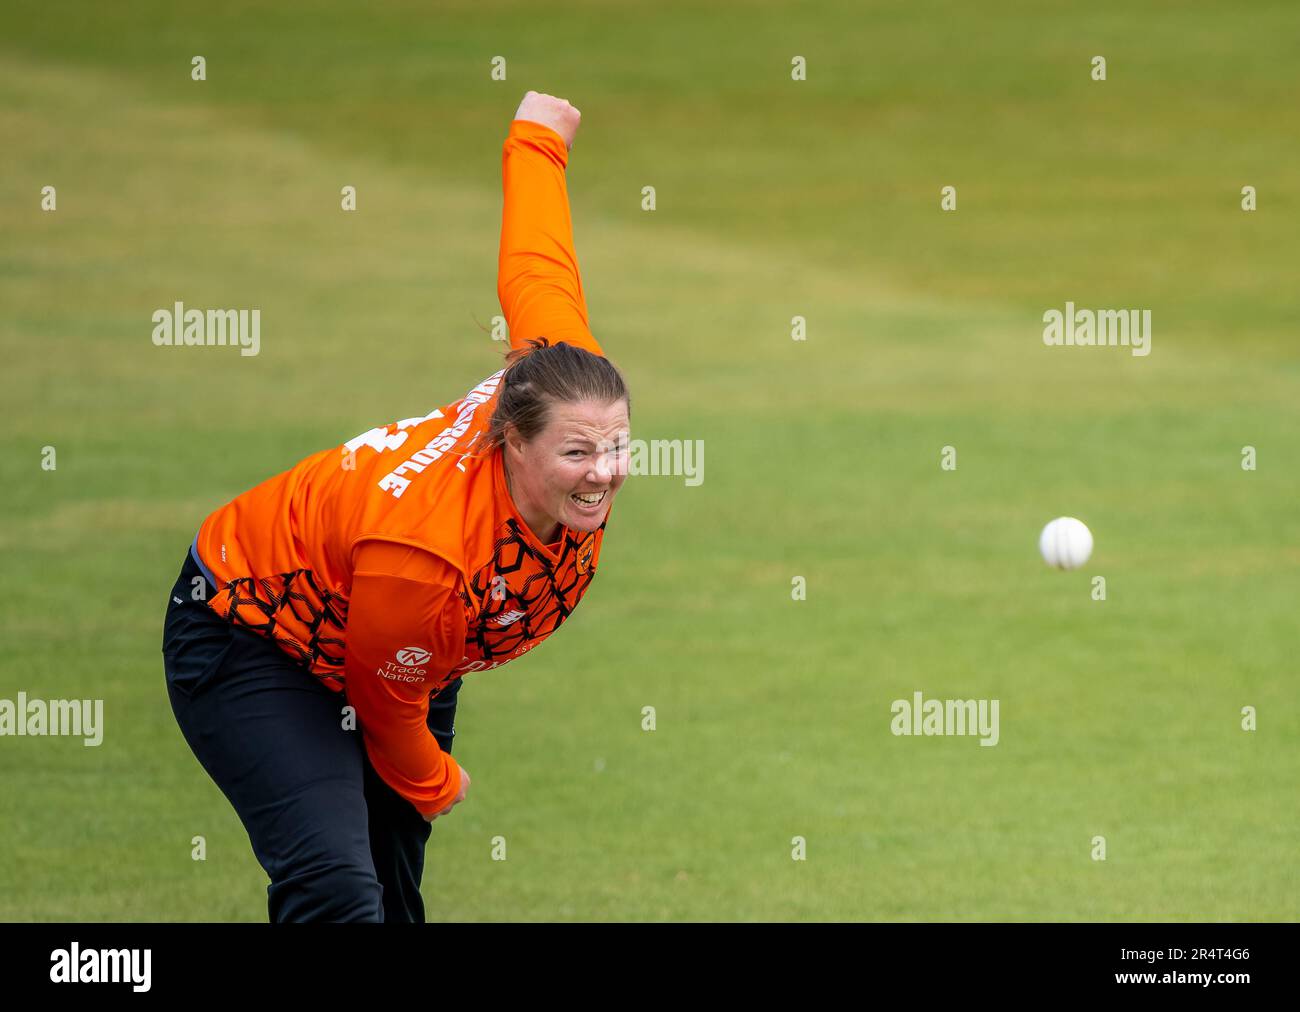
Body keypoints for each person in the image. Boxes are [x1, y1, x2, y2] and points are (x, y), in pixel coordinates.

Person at [161, 91, 631, 922]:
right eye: (579, 453)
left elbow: (538, 267)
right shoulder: (429, 551)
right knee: (338, 890)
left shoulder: (565, 382)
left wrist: (537, 142)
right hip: (252, 634)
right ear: (511, 442)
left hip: (402, 638)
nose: (605, 472)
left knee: (391, 895)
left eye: (618, 446)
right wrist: (432, 779)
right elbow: (385, 696)